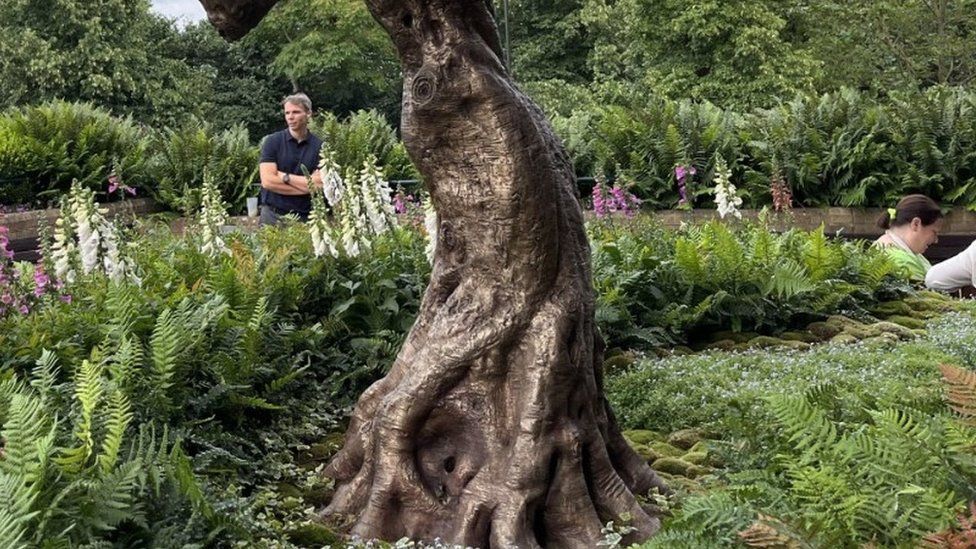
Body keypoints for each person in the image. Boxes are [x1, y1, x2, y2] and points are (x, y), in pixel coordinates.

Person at [258, 93, 323, 225]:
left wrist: (284, 177)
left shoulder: (320, 146)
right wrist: (308, 184)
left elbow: (320, 185)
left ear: (308, 113)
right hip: (272, 216)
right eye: (287, 113)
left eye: (296, 112)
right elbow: (268, 181)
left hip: (305, 218)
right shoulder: (272, 142)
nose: (290, 117)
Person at [872, 194, 943, 282]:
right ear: (916, 224)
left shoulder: (884, 246)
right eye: (934, 232)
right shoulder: (903, 263)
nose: (936, 240)